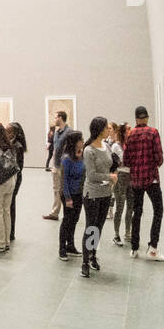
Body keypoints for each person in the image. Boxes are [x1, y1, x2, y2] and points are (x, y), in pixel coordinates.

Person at [124, 105, 164, 261]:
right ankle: (153, 248)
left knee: (137, 212)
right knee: (158, 210)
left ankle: (134, 248)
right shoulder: (153, 132)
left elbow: (126, 160)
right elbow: (159, 158)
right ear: (147, 118)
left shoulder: (130, 135)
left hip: (136, 179)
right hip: (151, 179)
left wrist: (137, 167)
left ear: (136, 118)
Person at [80, 117, 118, 278]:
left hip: (105, 193)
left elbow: (111, 165)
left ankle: (93, 255)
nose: (108, 130)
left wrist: (112, 176)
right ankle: (84, 262)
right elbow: (91, 174)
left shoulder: (107, 146)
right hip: (93, 194)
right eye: (105, 127)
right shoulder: (89, 150)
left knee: (99, 227)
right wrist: (110, 177)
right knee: (91, 227)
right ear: (99, 129)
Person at [0, 122, 27, 243]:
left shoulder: (16, 146)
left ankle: (9, 234)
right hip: (7, 178)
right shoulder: (8, 144)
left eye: (8, 131)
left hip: (10, 178)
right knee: (2, 207)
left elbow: (18, 166)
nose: (6, 133)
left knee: (7, 207)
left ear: (14, 133)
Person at [58, 131, 85, 261]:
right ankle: (62, 248)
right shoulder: (66, 159)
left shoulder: (81, 155)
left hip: (79, 194)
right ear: (75, 142)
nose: (83, 141)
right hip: (68, 194)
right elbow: (64, 181)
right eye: (81, 139)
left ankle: (71, 246)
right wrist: (68, 198)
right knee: (67, 221)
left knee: (74, 220)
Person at [44, 110, 74, 220]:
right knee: (56, 190)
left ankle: (70, 212)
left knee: (67, 190)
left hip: (65, 166)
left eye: (56, 117)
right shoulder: (56, 132)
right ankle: (55, 213)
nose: (55, 119)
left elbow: (72, 150)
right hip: (56, 166)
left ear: (61, 118)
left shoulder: (69, 132)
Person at [109, 122, 132, 246]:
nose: (130, 131)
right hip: (121, 177)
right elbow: (119, 163)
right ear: (123, 132)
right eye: (128, 129)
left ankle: (128, 232)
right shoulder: (116, 147)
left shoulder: (131, 145)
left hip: (131, 177)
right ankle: (116, 235)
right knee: (120, 206)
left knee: (131, 206)